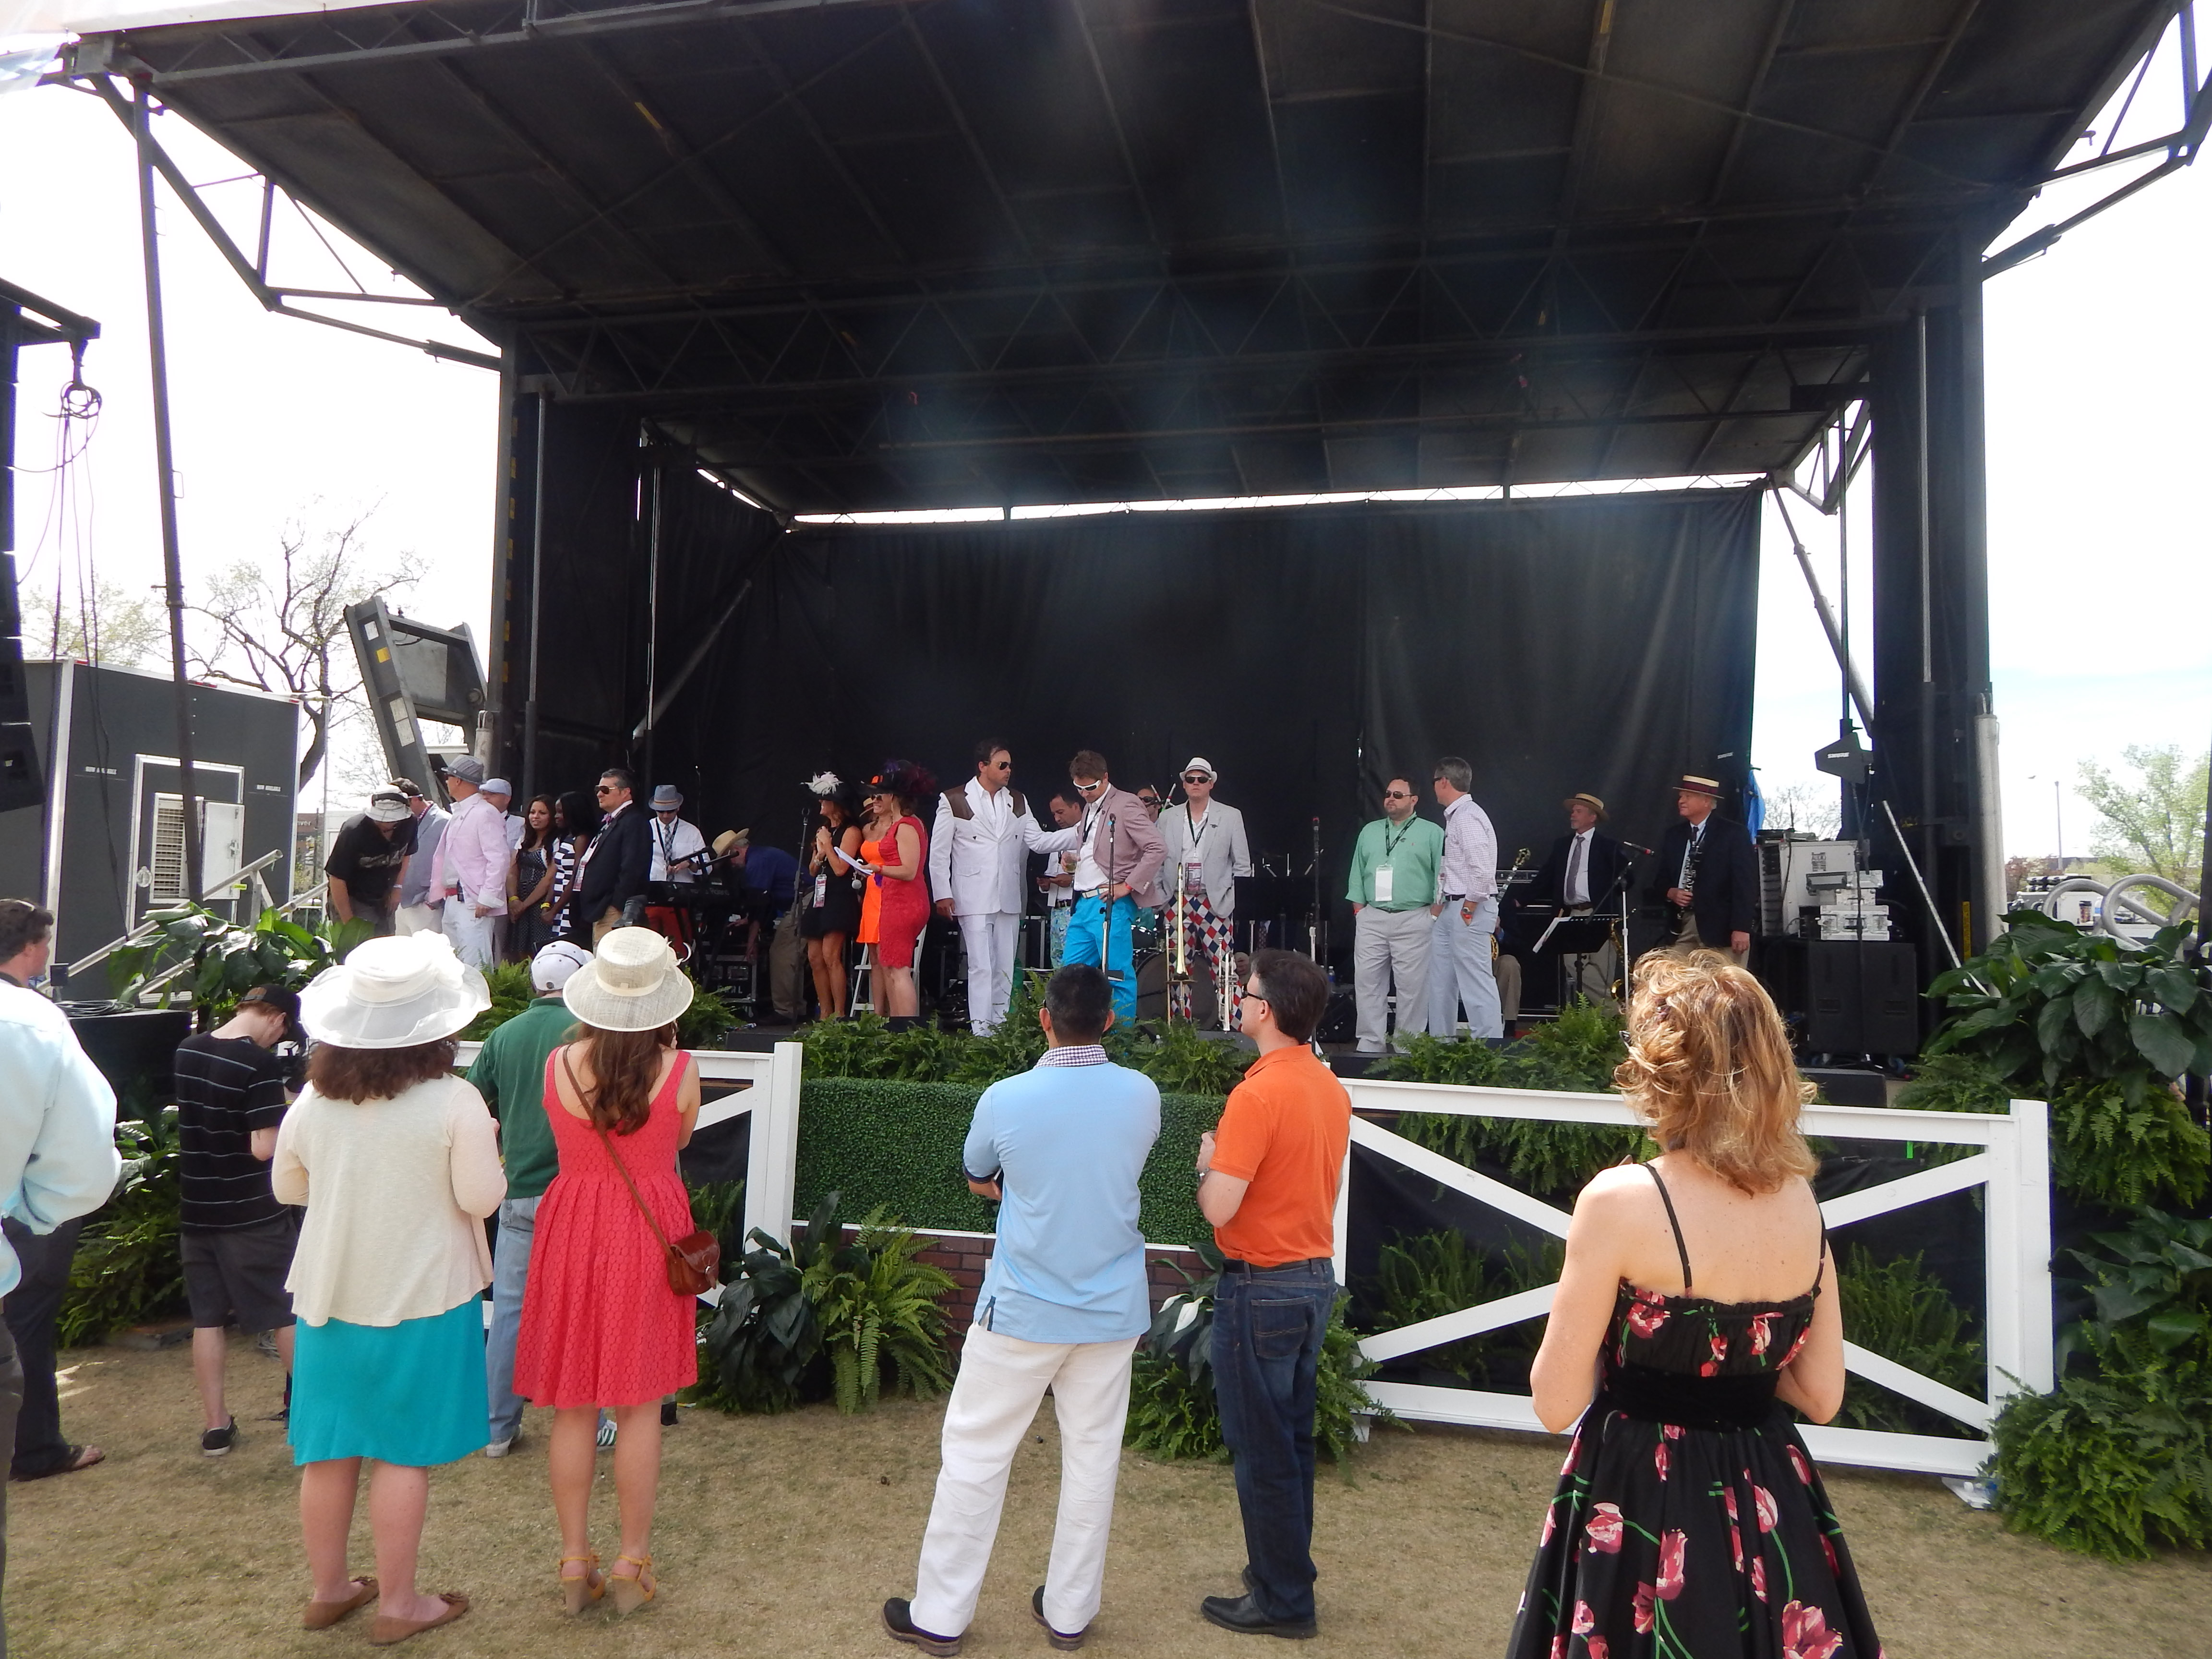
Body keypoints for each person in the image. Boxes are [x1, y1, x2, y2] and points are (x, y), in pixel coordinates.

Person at [1507, 951, 1874, 1659]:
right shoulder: (1802, 1203)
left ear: (1661, 1069)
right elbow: (1822, 1395)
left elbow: (1555, 1402)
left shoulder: (1621, 1200)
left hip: (1641, 1498)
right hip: (1770, 1507)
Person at [883, 965, 1161, 1656]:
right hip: (1111, 1310)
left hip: (1023, 1308)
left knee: (975, 1458)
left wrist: (1020, 1194)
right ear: (1110, 1020)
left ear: (1044, 1018)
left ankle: (941, 1617)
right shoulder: (1142, 1093)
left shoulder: (1007, 1098)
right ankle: (1070, 1613)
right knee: (1094, 1461)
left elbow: (979, 1174)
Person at [276, 931, 501, 1643]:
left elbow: (288, 1184)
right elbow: (481, 1198)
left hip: (330, 1287)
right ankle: (399, 1602)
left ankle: (329, 1588)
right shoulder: (455, 1100)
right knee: (403, 1451)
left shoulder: (315, 1099)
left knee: (330, 1447)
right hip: (423, 1290)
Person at [516, 927, 702, 1616]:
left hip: (571, 1226)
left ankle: (573, 1560)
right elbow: (677, 1140)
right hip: (648, 1230)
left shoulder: (558, 1064)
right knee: (639, 1404)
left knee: (572, 1404)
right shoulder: (681, 1071)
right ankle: (631, 1559)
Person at [1192, 950, 1348, 1639]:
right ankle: (1284, 1584)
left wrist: (1207, 1164)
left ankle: (1283, 1598)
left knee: (1265, 1452)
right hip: (1311, 1280)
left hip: (1262, 1288)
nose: (1241, 1000)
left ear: (1267, 1010)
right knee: (1289, 1446)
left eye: (1247, 992)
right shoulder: (1328, 1086)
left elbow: (1220, 1209)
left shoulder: (1256, 1095)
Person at [0, 900, 122, 1521]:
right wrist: (39, 1213)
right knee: (26, 1327)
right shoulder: (35, 1021)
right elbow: (86, 1139)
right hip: (20, 1221)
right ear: (34, 948)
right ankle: (37, 1447)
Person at [468, 939, 594, 1459]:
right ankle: (600, 1421)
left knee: (511, 1316)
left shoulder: (503, 1034)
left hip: (519, 1192)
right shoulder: (590, 1035)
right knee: (589, 1310)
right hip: (583, 1193)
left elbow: (474, 1105)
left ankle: (497, 1427)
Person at [172, 984, 303, 1458]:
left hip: (198, 1208)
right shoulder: (259, 1064)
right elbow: (263, 1148)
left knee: (207, 1319)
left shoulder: (188, 1050)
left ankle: (215, 1426)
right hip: (251, 1212)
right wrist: (290, 1109)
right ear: (278, 1021)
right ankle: (312, 1415)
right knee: (284, 1313)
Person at [929, 740, 1055, 1036]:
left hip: (1008, 894)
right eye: (1003, 765)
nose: (1009, 770)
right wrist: (942, 893)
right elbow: (939, 853)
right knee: (980, 967)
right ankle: (981, 1033)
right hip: (972, 894)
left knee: (1003, 968)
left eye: (1010, 765)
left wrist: (1082, 833)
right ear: (983, 767)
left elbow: (1037, 841)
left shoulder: (1018, 800)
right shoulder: (955, 799)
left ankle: (1000, 1031)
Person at [1032, 751, 1166, 1023]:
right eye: (1079, 788)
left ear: (1106, 778)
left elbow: (1157, 847)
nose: (1085, 794)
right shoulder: (1091, 807)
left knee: (1116, 975)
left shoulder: (1126, 803)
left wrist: (1128, 885)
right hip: (1082, 902)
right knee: (1069, 977)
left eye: (1091, 787)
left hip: (1109, 902)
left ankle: (1124, 1049)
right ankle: (1073, 1040)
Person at [1346, 777, 1443, 1056]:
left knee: (1412, 988)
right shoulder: (1370, 831)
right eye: (1388, 794)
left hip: (1414, 917)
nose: (1390, 799)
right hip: (1373, 916)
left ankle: (1407, 1047)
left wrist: (1433, 917)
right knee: (1367, 983)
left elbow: (1443, 877)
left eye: (1398, 795)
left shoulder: (1432, 833)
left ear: (1414, 800)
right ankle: (1369, 1044)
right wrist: (1359, 911)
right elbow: (1357, 872)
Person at [1157, 757, 1253, 1027]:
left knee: (1224, 968)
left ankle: (1234, 1027)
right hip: (1177, 899)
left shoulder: (1231, 815)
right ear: (1183, 784)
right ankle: (1180, 1029)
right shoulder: (1168, 817)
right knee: (1177, 969)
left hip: (1215, 901)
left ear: (1212, 783)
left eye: (1201, 779)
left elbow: (1243, 865)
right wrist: (1160, 897)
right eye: (1191, 779)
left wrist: (1231, 899)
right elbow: (1156, 859)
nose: (1196, 784)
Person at [1425, 756, 1503, 1040]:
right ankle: (1441, 1044)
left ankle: (1490, 1045)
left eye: (1435, 782)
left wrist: (1469, 907)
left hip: (1469, 906)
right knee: (1441, 980)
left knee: (1475, 979)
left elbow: (1482, 869)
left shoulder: (1468, 816)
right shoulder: (1459, 816)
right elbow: (1455, 868)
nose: (1434, 788)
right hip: (1452, 905)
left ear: (1444, 782)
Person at [1531, 792, 1630, 1007]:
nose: (1573, 816)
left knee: (1602, 968)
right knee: (1573, 963)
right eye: (1573, 812)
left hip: (1600, 913)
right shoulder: (1563, 845)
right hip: (1572, 913)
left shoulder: (1608, 847)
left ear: (1592, 817)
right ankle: (1618, 1011)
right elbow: (1546, 877)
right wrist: (1520, 899)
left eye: (1578, 811)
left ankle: (1604, 1023)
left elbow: (1627, 878)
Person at [1650, 773, 1759, 965]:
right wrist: (1671, 892)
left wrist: (1742, 928)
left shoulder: (1732, 834)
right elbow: (1660, 879)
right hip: (1682, 924)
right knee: (1675, 979)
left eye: (1688, 796)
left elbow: (1745, 884)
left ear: (1707, 801)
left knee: (1725, 987)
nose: (1681, 801)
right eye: (1681, 796)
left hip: (1720, 927)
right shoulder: (1674, 835)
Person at [859, 762, 936, 1024]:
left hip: (905, 902)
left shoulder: (906, 825)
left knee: (899, 968)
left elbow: (909, 870)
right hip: (894, 900)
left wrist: (877, 868)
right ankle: (897, 1025)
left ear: (895, 796)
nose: (875, 798)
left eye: (881, 793)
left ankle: (907, 1028)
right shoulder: (903, 824)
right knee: (891, 965)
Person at [427, 757, 511, 971]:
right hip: (453, 897)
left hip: (473, 900)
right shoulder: (462, 811)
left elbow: (499, 857)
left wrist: (488, 897)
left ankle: (482, 1003)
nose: (446, 781)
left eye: (449, 777)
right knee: (453, 963)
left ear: (458, 781)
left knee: (476, 962)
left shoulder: (485, 812)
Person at [802, 783, 866, 1021]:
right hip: (821, 892)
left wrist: (828, 846)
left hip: (839, 895)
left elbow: (841, 869)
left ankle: (839, 1013)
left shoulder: (851, 832)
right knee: (815, 957)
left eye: (824, 801)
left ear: (836, 805)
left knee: (831, 955)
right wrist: (819, 853)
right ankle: (824, 1012)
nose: (820, 804)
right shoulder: (823, 830)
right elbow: (811, 870)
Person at [574, 768, 654, 943]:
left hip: (613, 910)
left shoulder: (634, 821)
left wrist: (617, 905)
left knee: (610, 964)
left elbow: (633, 867)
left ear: (625, 793)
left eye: (606, 790)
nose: (599, 795)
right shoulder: (612, 821)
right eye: (597, 790)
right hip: (599, 909)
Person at [324, 788, 416, 936]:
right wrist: (351, 925)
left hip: (384, 897)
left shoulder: (410, 823)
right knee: (358, 951)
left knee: (386, 945)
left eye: (392, 819)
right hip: (353, 898)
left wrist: (398, 888)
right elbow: (337, 878)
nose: (385, 824)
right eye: (381, 819)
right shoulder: (354, 830)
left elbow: (406, 855)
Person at [391, 780, 448, 937]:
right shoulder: (402, 824)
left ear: (414, 799)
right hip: (401, 904)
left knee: (428, 957)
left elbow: (450, 863)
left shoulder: (444, 821)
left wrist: (432, 900)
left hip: (427, 904)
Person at [508, 795, 560, 962]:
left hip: (542, 901)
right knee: (520, 950)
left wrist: (525, 905)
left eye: (542, 813)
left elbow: (549, 879)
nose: (535, 817)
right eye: (532, 812)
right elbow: (512, 871)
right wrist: (514, 900)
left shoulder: (556, 842)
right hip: (520, 900)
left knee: (539, 950)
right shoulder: (524, 839)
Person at [1035, 789, 1083, 969]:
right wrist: (1046, 884)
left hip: (1076, 909)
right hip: (1056, 911)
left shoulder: (1089, 835)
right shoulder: (1056, 838)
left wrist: (1071, 881)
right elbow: (1051, 873)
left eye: (1061, 812)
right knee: (1057, 964)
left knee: (1075, 965)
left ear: (1076, 807)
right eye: (1054, 814)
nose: (1057, 819)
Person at [546, 791, 597, 941]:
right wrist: (548, 903)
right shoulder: (566, 836)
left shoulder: (582, 839)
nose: (556, 816)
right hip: (559, 904)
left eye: (561, 812)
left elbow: (576, 877)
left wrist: (555, 910)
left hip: (569, 907)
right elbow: (558, 873)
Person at [646, 786, 708, 886]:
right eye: (661, 811)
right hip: (653, 886)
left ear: (678, 808)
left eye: (670, 811)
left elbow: (707, 867)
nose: (665, 816)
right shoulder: (646, 828)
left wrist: (689, 864)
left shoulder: (692, 831)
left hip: (683, 890)